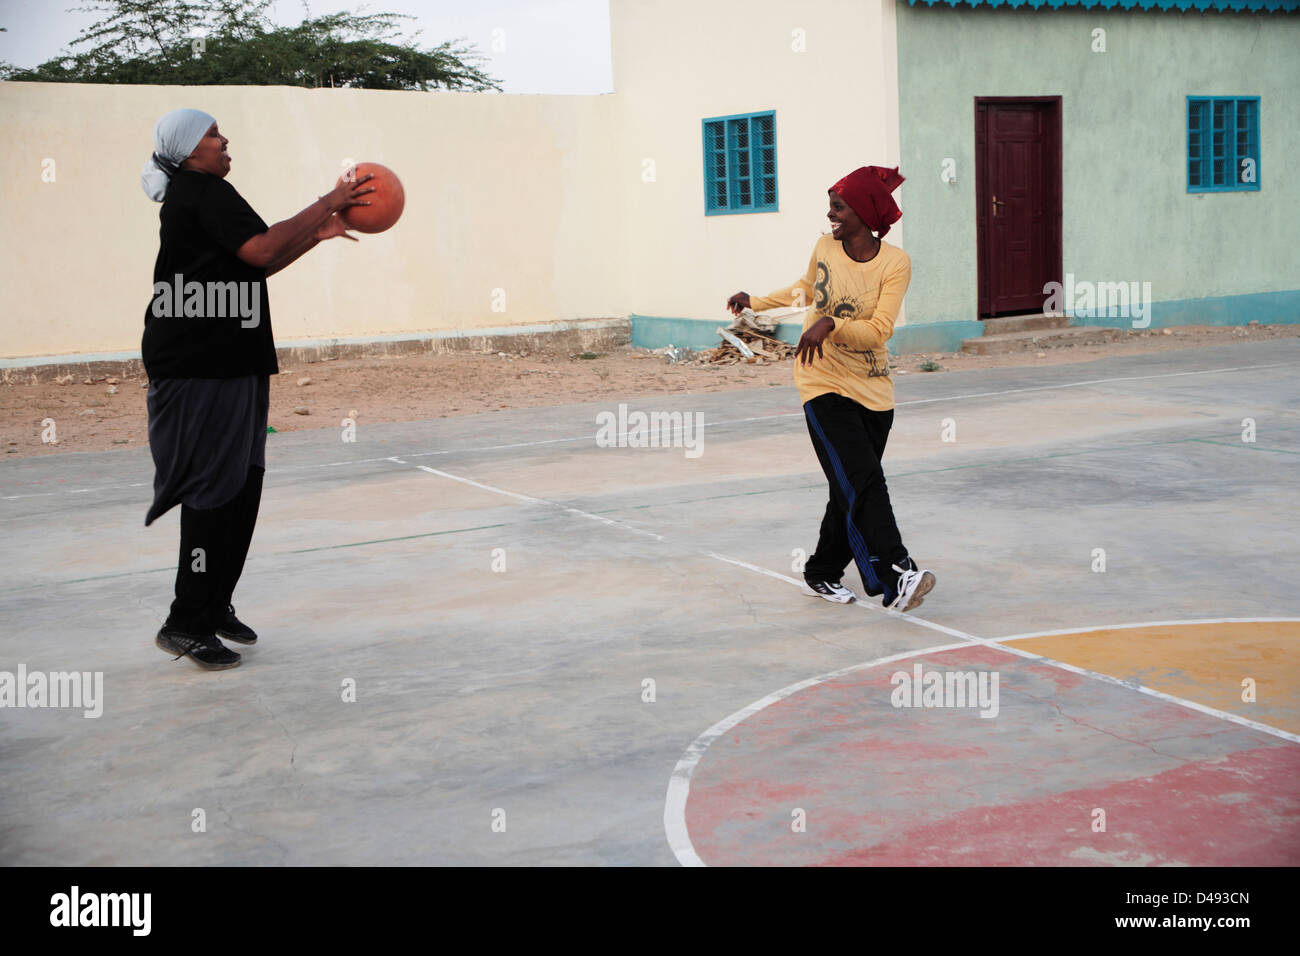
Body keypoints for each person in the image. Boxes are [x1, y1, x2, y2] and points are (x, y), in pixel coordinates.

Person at [140, 108, 374, 669]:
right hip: (199, 365)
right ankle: (183, 622)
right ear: (187, 150)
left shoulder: (210, 193)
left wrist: (317, 234)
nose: (224, 140)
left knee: (242, 486)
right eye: (212, 134)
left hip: (231, 361)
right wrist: (330, 199)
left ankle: (213, 603)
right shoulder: (198, 191)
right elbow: (263, 249)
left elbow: (254, 263)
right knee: (211, 492)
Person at [727, 165, 935, 612]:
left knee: (849, 485)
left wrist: (832, 323)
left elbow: (879, 330)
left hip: (874, 390)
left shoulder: (896, 263)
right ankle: (897, 573)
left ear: (862, 211)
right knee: (863, 479)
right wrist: (757, 302)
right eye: (831, 206)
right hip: (820, 380)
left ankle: (821, 571)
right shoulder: (825, 246)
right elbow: (807, 290)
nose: (831, 215)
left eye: (839, 207)